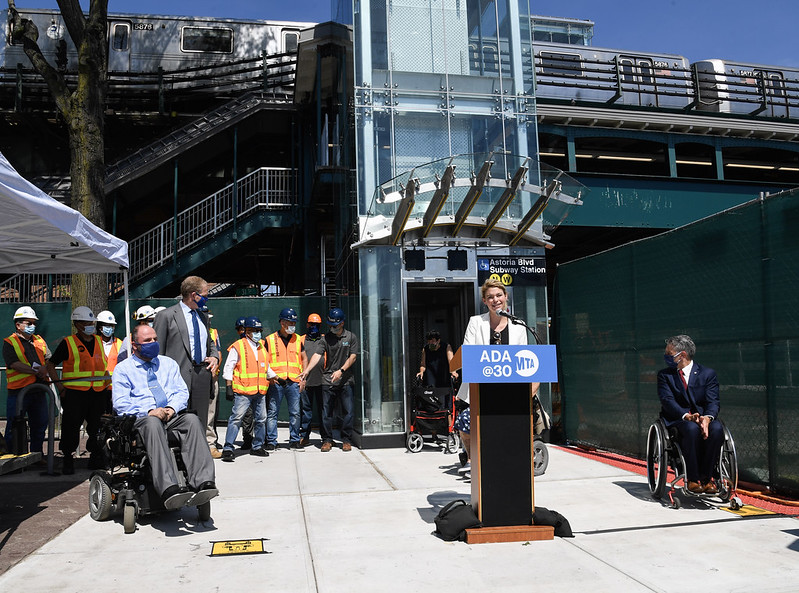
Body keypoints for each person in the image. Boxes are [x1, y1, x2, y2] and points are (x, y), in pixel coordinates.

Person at [112, 324, 218, 510]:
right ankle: (169, 487)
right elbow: (120, 404)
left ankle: (203, 482)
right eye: (147, 340)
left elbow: (181, 392)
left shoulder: (168, 364)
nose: (153, 343)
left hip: (170, 416)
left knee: (192, 420)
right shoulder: (123, 369)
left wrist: (171, 408)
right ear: (135, 345)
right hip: (142, 419)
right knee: (153, 423)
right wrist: (149, 411)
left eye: (155, 339)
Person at [454, 279, 536, 475]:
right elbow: (468, 354)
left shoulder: (518, 325)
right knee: (464, 424)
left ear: (506, 297)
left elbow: (524, 358)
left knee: (504, 430)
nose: (495, 300)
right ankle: (473, 460)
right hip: (481, 390)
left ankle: (505, 465)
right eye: (490, 297)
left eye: (499, 295)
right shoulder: (476, 322)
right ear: (484, 301)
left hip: (510, 391)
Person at [152, 276, 219, 460]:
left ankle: (197, 459)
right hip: (176, 378)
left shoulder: (203, 316)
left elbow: (210, 343)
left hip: (201, 376)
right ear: (193, 295)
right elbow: (158, 351)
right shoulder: (166, 316)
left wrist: (214, 356)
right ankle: (175, 458)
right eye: (205, 294)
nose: (207, 298)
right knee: (176, 421)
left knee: (200, 422)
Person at [658, 335, 723, 494]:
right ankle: (692, 479)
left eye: (669, 353)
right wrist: (686, 416)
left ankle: (707, 478)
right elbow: (667, 400)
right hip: (679, 419)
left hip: (704, 417)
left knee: (717, 430)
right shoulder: (665, 375)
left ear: (682, 355)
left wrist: (707, 418)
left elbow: (713, 401)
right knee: (691, 429)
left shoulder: (707, 374)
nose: (665, 356)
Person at [49, 307, 109, 474]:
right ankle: (68, 458)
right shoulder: (68, 343)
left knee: (97, 427)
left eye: (92, 322)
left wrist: (106, 385)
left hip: (97, 392)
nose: (90, 325)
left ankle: (95, 456)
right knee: (71, 427)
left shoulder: (98, 341)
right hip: (74, 393)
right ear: (77, 324)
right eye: (86, 322)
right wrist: (59, 387)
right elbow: (51, 365)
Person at [301, 308, 359, 452]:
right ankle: (327, 440)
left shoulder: (351, 337)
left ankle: (346, 440)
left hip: (345, 380)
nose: (332, 328)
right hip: (328, 380)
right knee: (326, 412)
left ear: (342, 323)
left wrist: (341, 371)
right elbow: (317, 355)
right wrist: (307, 370)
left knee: (348, 411)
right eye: (330, 325)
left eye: (335, 325)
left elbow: (353, 357)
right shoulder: (325, 339)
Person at [3, 306, 57, 457]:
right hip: (18, 391)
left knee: (40, 424)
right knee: (14, 425)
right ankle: (12, 457)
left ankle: (36, 455)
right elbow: (13, 363)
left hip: (39, 390)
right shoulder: (10, 342)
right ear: (18, 325)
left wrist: (45, 368)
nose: (32, 326)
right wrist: (35, 371)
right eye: (29, 323)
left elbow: (48, 358)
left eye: (34, 323)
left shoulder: (39, 340)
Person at [221, 316, 275, 460]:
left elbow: (266, 366)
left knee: (261, 419)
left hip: (260, 391)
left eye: (259, 330)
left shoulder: (261, 346)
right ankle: (228, 448)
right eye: (255, 330)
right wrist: (228, 387)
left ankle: (257, 446)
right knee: (236, 418)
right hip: (243, 391)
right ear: (247, 331)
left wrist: (276, 378)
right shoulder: (238, 346)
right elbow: (228, 367)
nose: (258, 333)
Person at [264, 308, 306, 451]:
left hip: (294, 381)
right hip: (276, 382)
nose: (293, 325)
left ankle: (294, 440)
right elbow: (264, 360)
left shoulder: (298, 339)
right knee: (272, 412)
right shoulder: (270, 340)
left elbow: (304, 358)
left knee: (295, 412)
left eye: (294, 322)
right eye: (290, 322)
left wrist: (303, 377)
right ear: (282, 323)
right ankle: (271, 441)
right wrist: (270, 377)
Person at [299, 313, 325, 447]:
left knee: (324, 411)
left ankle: (326, 438)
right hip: (306, 381)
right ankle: (304, 436)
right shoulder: (301, 340)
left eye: (316, 325)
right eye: (311, 324)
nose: (314, 327)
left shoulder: (324, 339)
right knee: (306, 411)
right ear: (307, 324)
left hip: (323, 381)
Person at [202, 304, 223, 459]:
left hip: (210, 376)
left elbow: (218, 353)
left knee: (210, 412)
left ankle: (210, 444)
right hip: (193, 375)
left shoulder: (212, 332)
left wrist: (214, 370)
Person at [233, 316, 255, 450]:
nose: (243, 332)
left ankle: (261, 440)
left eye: (245, 329)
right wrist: (229, 386)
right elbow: (231, 367)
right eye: (240, 329)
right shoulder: (236, 346)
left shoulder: (259, 344)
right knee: (246, 415)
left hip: (259, 387)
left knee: (261, 416)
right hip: (243, 388)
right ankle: (248, 439)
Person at [97, 310, 122, 375]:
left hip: (114, 380)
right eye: (107, 325)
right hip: (97, 380)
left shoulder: (119, 343)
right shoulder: (93, 343)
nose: (110, 328)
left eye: (111, 325)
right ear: (100, 327)